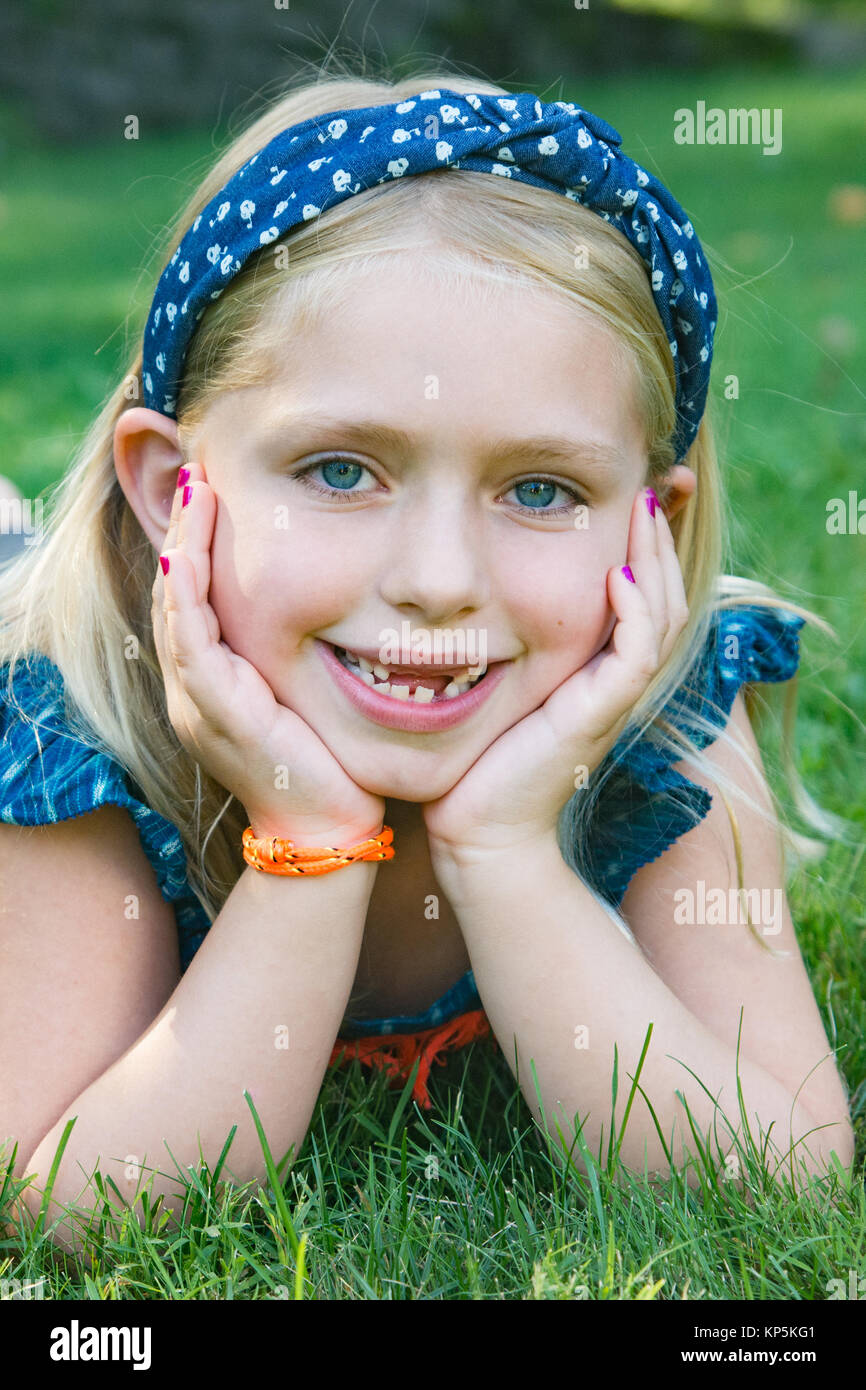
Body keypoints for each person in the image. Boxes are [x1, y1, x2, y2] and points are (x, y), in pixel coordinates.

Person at [0, 69, 855, 1255]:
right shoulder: (71, 731)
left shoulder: (670, 722)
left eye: (539, 489)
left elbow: (779, 1180)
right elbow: (74, 1212)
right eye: (341, 470)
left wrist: (505, 846)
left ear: (646, 523)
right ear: (172, 488)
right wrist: (305, 849)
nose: (440, 577)